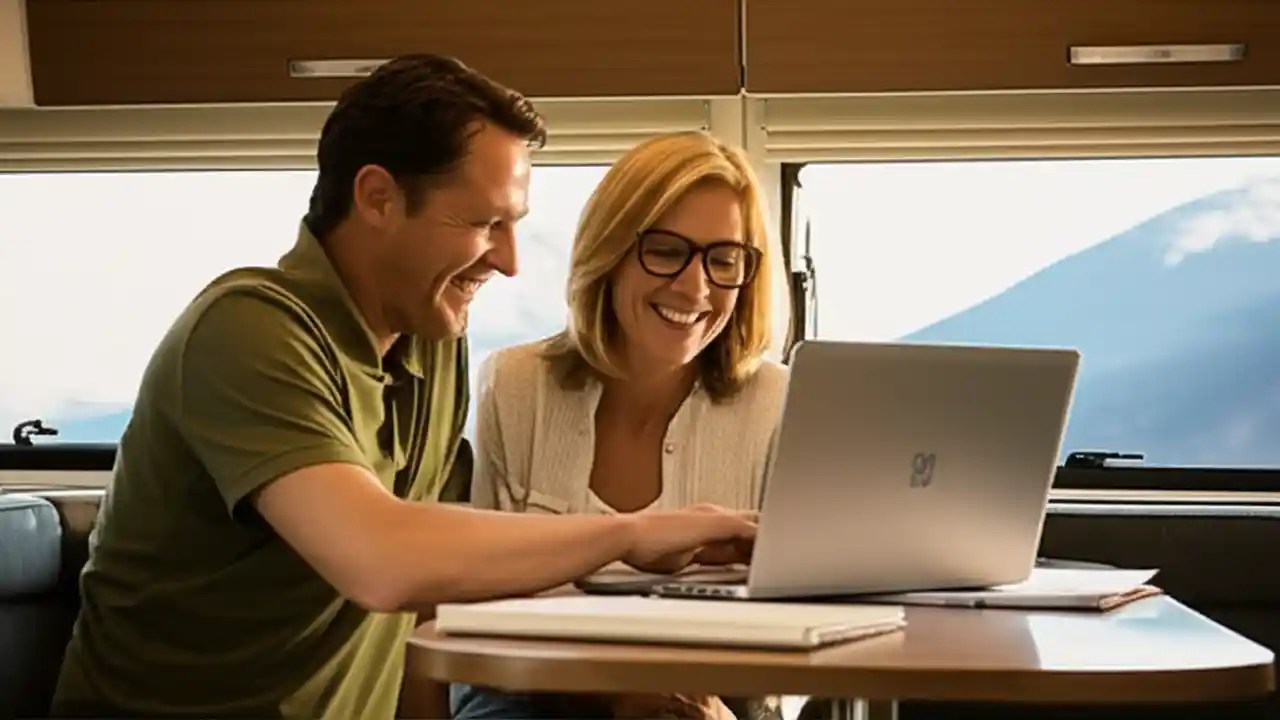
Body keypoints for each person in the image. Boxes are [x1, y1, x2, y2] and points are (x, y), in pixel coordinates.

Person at [49, 55, 755, 720]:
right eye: (484, 224)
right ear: (378, 198)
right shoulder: (247, 331)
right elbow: (381, 560)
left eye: (513, 227)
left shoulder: (431, 341)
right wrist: (630, 534)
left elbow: (425, 601)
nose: (509, 261)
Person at [451, 131, 789, 720]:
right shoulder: (515, 384)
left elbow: (791, 635)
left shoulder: (777, 403)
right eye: (666, 250)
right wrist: (612, 692)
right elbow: (482, 604)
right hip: (538, 697)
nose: (695, 287)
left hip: (716, 700)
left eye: (723, 259)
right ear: (608, 253)